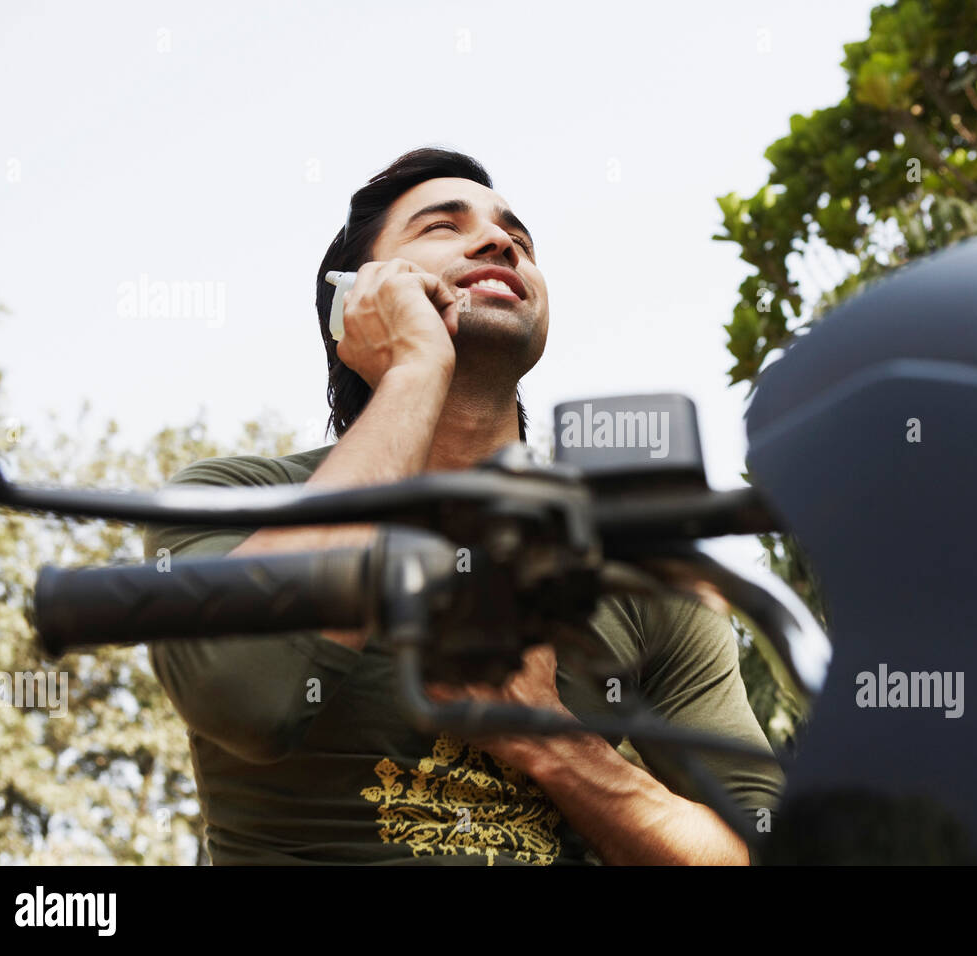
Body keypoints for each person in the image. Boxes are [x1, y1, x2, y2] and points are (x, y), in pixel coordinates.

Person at [143, 146, 784, 866]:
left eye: (519, 237)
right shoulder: (234, 500)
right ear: (353, 297)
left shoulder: (636, 560)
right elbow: (246, 693)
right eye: (441, 226)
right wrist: (415, 367)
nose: (499, 240)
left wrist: (552, 740)